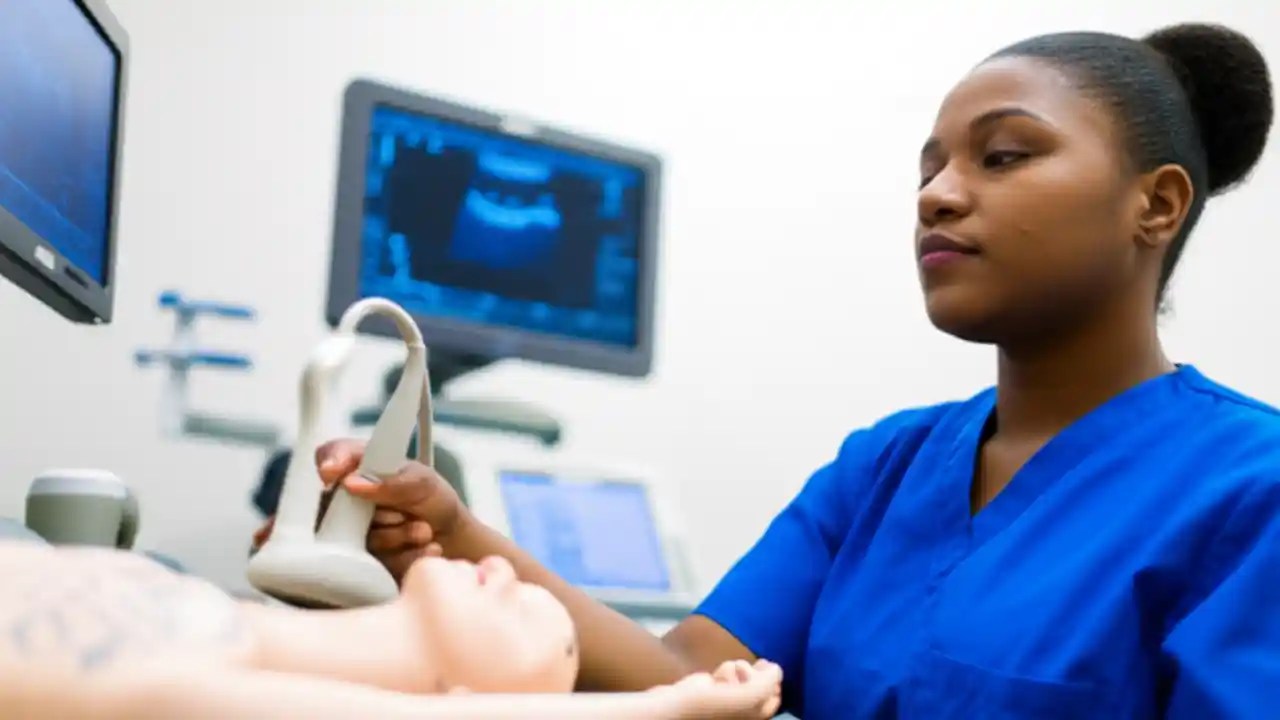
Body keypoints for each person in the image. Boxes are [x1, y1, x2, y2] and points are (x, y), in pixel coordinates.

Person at [255, 21, 1279, 719]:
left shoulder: (1247, 490)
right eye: (927, 168)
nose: (936, 196)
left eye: (1000, 156)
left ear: (1155, 204)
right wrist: (444, 542)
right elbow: (681, 679)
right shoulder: (885, 466)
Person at [1, 541, 783, 719]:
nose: (511, 575)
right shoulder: (198, 605)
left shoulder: (204, 683)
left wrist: (674, 708)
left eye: (555, 639)